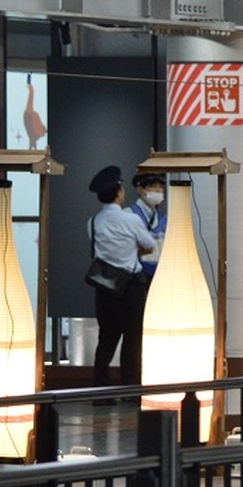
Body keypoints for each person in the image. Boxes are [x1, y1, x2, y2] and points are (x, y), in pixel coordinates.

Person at [87, 164, 155, 398]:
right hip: (131, 289)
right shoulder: (131, 220)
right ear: (119, 193)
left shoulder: (93, 222)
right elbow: (150, 245)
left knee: (105, 340)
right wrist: (133, 250)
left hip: (105, 288)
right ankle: (131, 390)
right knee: (132, 340)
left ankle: (101, 391)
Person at [127, 172, 167, 277]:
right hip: (135, 276)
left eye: (161, 187)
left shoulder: (164, 218)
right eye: (153, 186)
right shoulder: (128, 215)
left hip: (160, 275)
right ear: (140, 190)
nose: (158, 190)